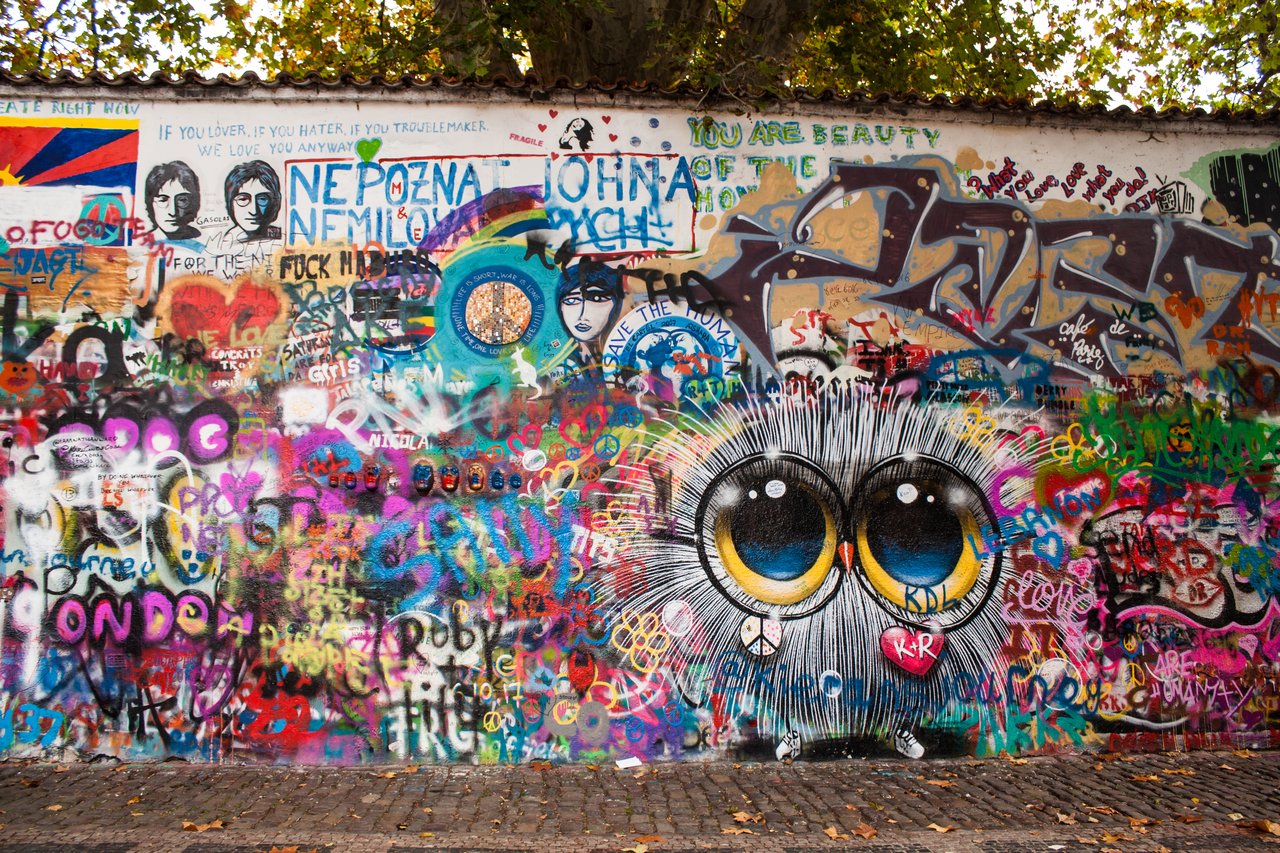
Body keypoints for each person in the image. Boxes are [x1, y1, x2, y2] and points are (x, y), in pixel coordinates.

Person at [209, 160, 283, 277]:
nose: (254, 210)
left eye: (262, 199)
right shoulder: (220, 247)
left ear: (275, 202)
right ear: (230, 203)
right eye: (243, 199)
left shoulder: (282, 240)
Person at [143, 161, 202, 242]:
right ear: (150, 204)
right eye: (163, 200)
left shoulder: (200, 238)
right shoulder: (144, 243)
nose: (173, 212)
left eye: (182, 200)